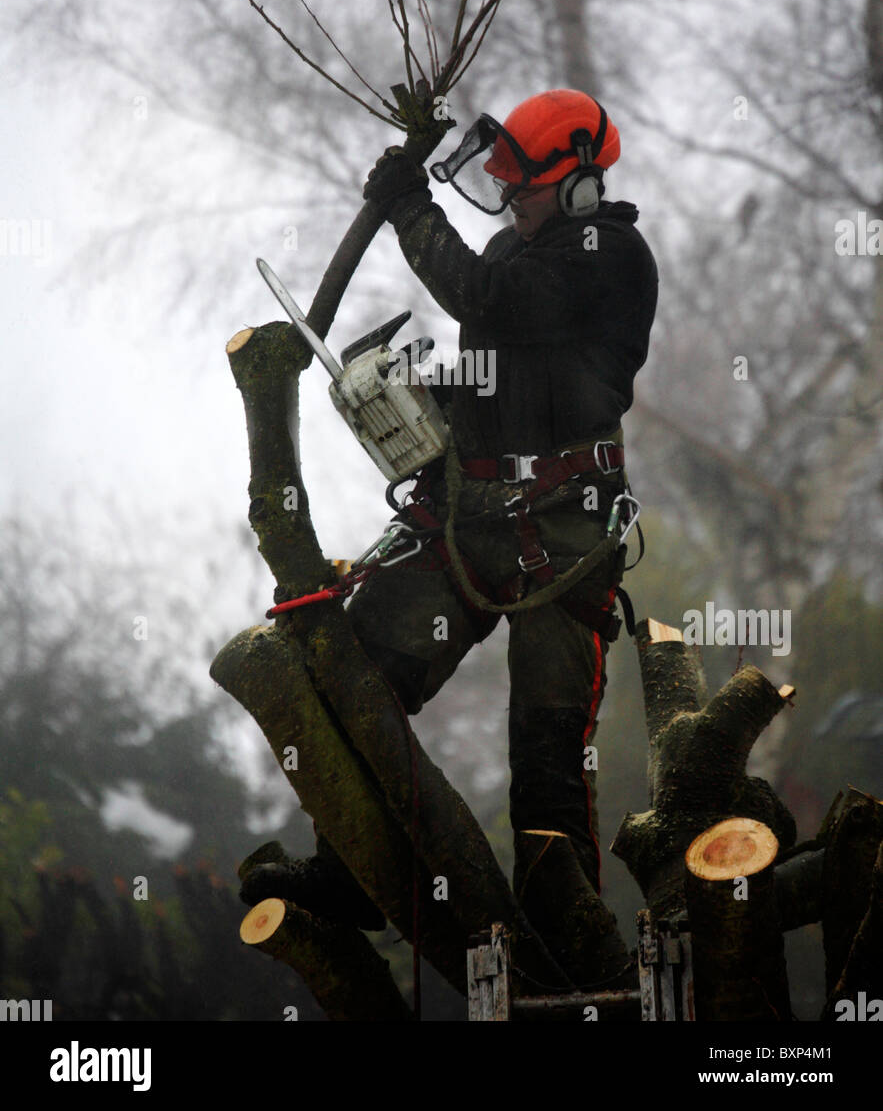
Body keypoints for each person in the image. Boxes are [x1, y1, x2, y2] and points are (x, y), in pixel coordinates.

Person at [242, 89, 658, 953]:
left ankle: (566, 934)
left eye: (526, 185)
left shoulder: (607, 254)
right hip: (470, 520)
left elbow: (489, 300)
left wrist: (408, 206)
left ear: (579, 184)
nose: (511, 199)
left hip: (564, 540)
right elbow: (499, 359)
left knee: (546, 761)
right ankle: (352, 871)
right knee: (358, 675)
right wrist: (410, 386)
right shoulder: (523, 249)